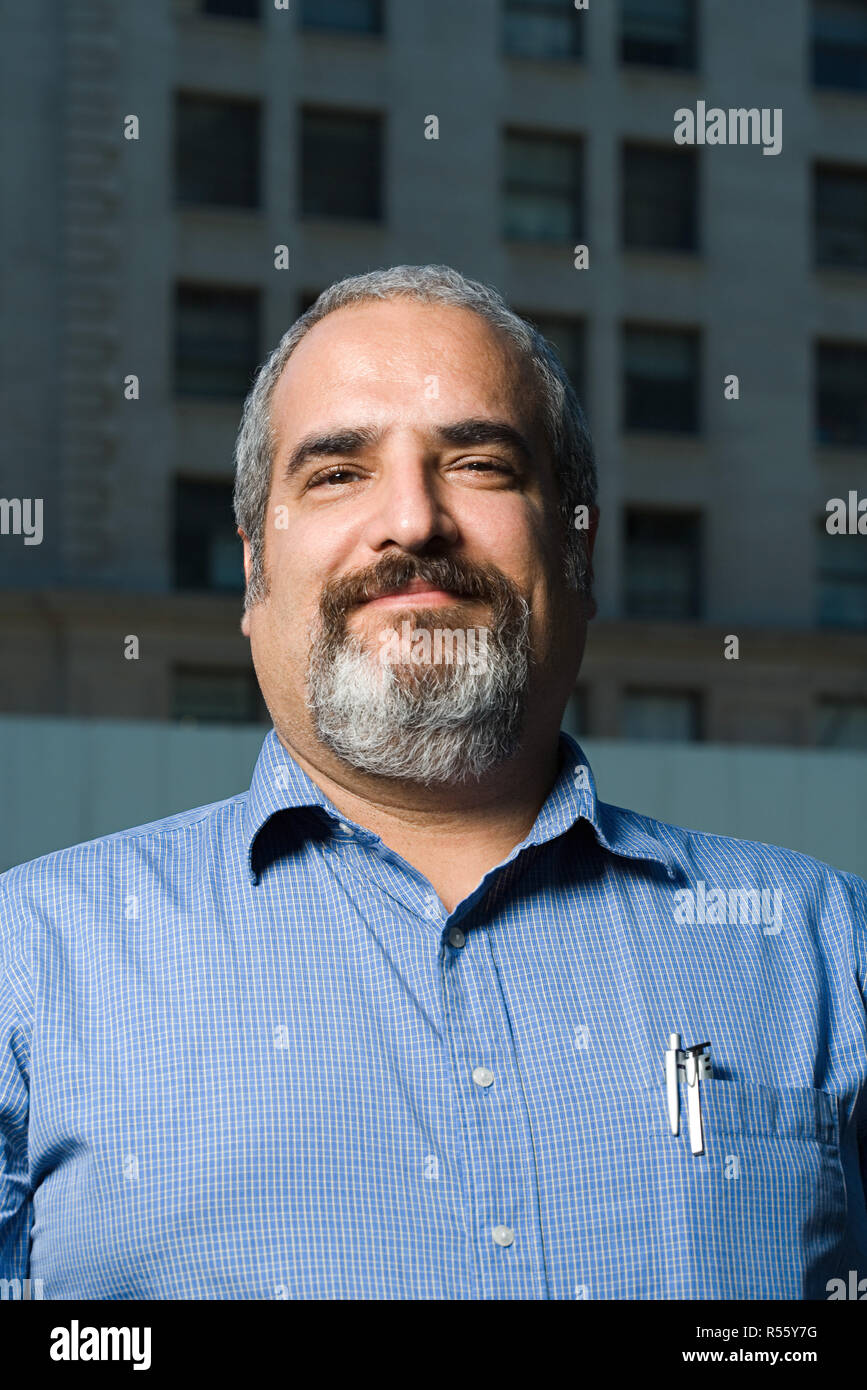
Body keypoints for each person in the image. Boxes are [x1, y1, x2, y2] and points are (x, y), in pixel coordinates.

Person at [1, 265, 865, 1301]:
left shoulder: (824, 945)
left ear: (577, 550)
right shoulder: (28, 966)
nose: (412, 520)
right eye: (336, 473)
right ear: (252, 572)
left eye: (481, 463)